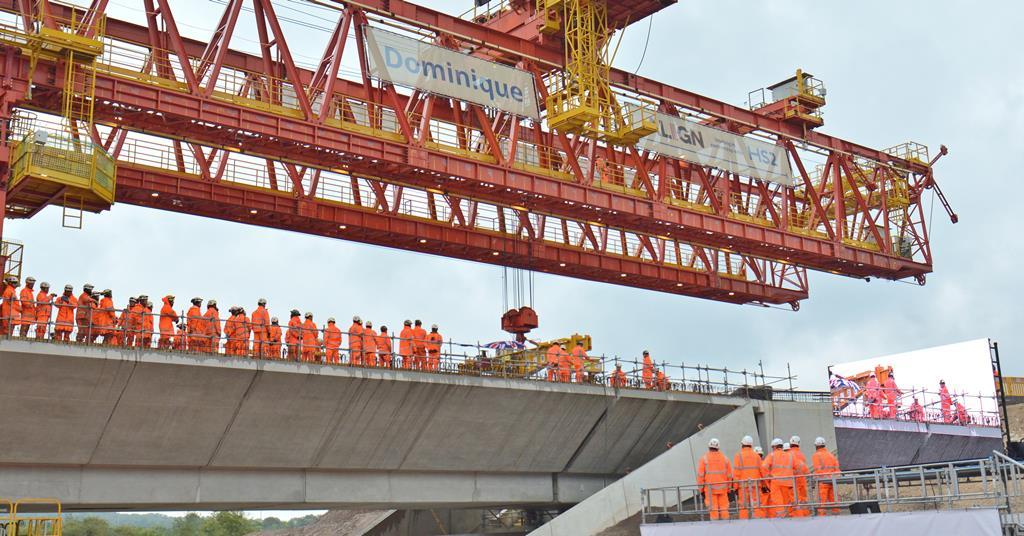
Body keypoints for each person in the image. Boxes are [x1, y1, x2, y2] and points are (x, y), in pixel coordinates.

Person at [762, 437, 807, 518]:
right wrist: (795, 475)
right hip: (788, 483)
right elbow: (800, 466)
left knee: (778, 502)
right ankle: (789, 518)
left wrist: (768, 478)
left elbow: (764, 467)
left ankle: (782, 519)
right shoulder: (789, 455)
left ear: (774, 447)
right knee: (788, 503)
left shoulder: (772, 455)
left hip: (776, 483)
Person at [697, 438, 733, 520]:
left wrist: (701, 490)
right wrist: (729, 490)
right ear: (718, 447)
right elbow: (729, 476)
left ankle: (714, 526)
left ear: (709, 447)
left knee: (713, 510)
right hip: (723, 489)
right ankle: (726, 525)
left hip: (710, 490)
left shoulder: (704, 459)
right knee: (724, 509)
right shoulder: (725, 459)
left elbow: (700, 476)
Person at [732, 435, 765, 519]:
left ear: (742, 444)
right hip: (755, 485)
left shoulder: (738, 456)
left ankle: (744, 523)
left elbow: (736, 473)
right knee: (757, 505)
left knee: (743, 506)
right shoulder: (757, 456)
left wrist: (735, 487)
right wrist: (764, 485)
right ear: (751, 445)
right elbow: (762, 472)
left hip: (742, 486)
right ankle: (759, 521)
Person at [811, 437, 841, 516]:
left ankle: (822, 518)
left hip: (822, 482)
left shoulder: (816, 455)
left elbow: (817, 470)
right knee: (834, 500)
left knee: (822, 503)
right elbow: (837, 469)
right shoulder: (831, 455)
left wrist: (815, 479)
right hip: (832, 481)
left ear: (816, 446)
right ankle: (837, 516)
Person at [789, 436, 809, 517]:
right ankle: (805, 514)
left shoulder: (788, 454)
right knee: (803, 499)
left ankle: (798, 516)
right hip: (802, 480)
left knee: (795, 499)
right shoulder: (801, 455)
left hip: (793, 480)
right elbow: (804, 468)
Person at [753, 446, 771, 518]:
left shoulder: (754, 465)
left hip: (759, 488)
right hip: (765, 488)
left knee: (759, 506)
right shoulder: (764, 464)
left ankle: (760, 519)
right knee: (766, 505)